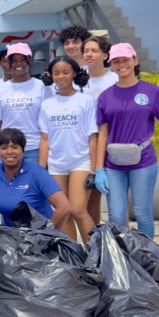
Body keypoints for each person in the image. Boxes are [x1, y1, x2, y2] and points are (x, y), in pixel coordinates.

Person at [95, 43, 159, 238]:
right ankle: (122, 261)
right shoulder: (105, 96)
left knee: (143, 214)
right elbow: (102, 133)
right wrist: (99, 168)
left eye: (125, 59)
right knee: (116, 216)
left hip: (143, 161)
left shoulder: (153, 92)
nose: (121, 64)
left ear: (135, 60)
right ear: (112, 65)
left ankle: (148, 260)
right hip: (113, 165)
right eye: (116, 61)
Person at [0, 128, 91, 241]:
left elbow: (64, 207)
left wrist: (46, 235)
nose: (9, 152)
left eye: (15, 147)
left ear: (23, 151)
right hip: (13, 238)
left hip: (41, 238)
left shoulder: (37, 173)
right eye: (4, 148)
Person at [38, 57, 98, 241]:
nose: (61, 76)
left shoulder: (86, 100)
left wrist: (94, 169)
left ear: (74, 73)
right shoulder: (47, 104)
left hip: (81, 161)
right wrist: (41, 168)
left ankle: (96, 253)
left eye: (65, 72)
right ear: (51, 75)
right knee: (63, 212)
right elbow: (45, 138)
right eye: (56, 73)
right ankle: (74, 255)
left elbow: (92, 136)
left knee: (78, 209)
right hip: (57, 164)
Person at [0, 43, 53, 164]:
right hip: (7, 149)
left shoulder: (42, 86)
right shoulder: (0, 89)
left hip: (34, 149)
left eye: (23, 60)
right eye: (15, 60)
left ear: (29, 60)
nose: (19, 64)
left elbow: (49, 122)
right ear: (9, 63)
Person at [81, 34, 117, 224]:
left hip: (111, 140)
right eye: (86, 51)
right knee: (89, 197)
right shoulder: (77, 78)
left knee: (112, 198)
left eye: (94, 51)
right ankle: (95, 239)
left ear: (105, 55)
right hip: (85, 142)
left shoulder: (114, 78)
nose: (89, 54)